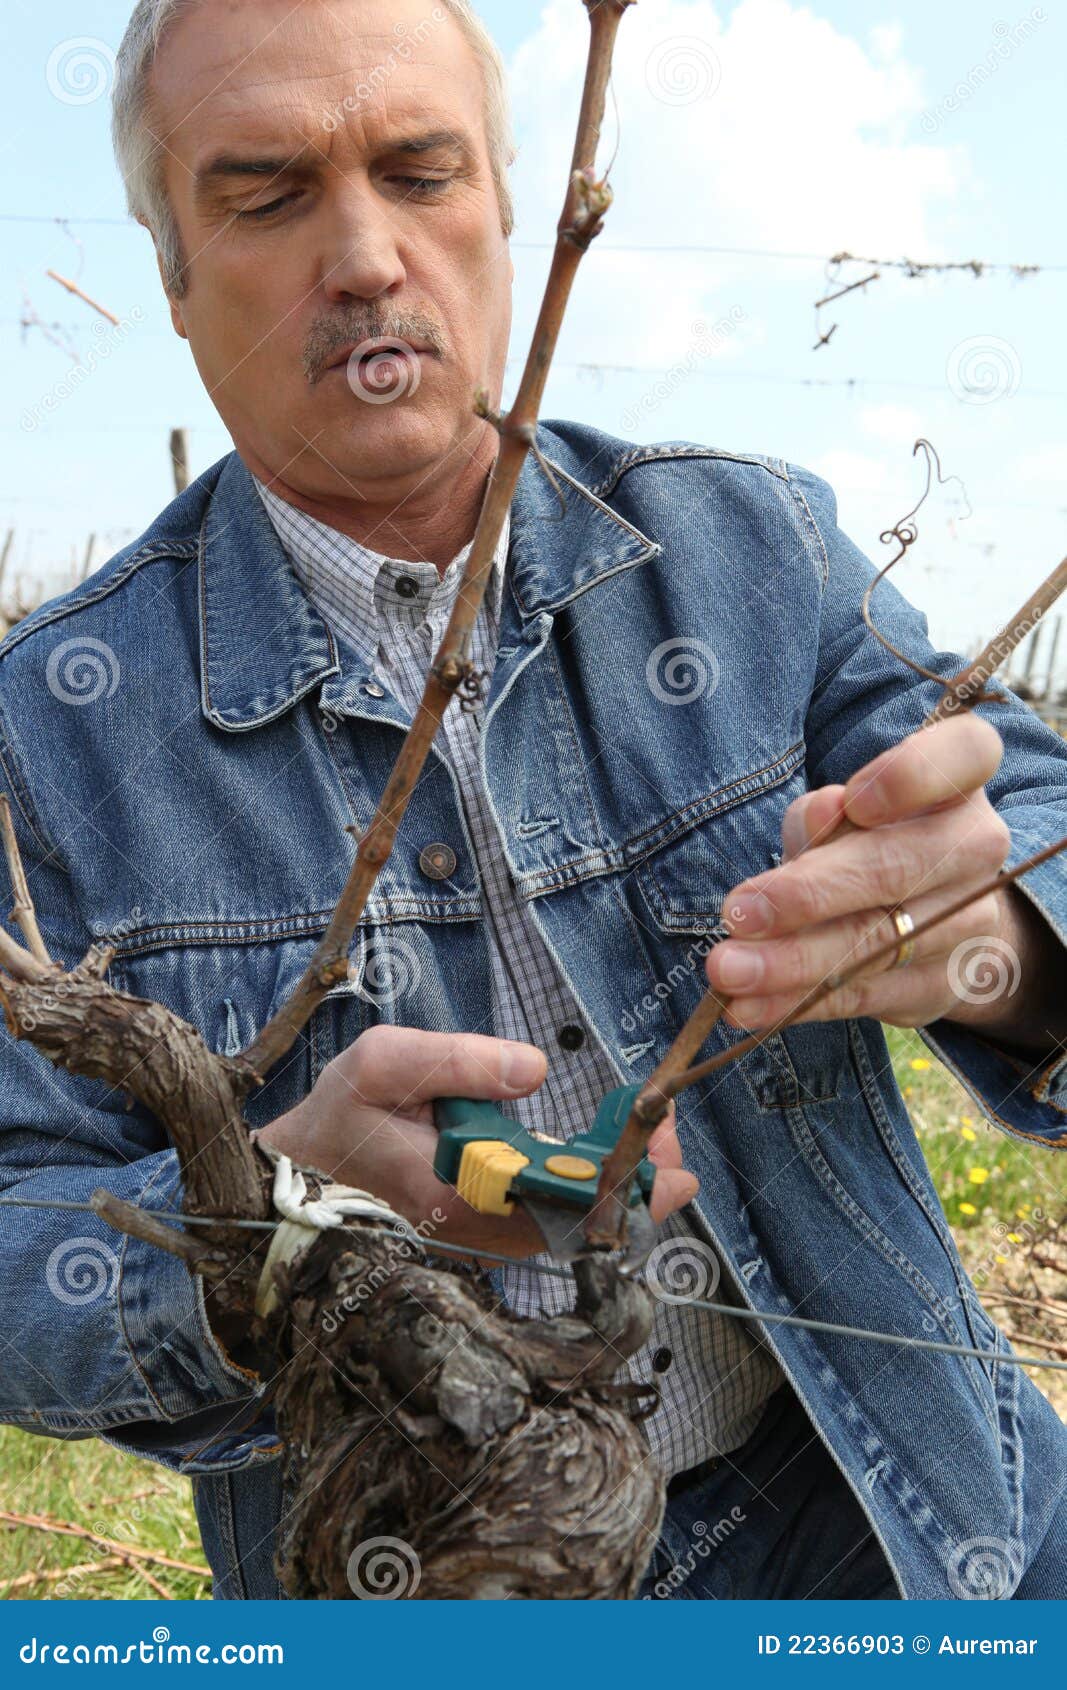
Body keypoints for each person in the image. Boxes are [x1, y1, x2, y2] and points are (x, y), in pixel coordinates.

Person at [1, 0, 1064, 1601]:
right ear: (169, 269)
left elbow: (1035, 817)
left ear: (510, 204)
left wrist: (1000, 933)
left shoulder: (752, 549)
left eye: (421, 171)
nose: (365, 256)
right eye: (270, 194)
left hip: (915, 1504)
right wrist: (275, 1220)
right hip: (441, 1580)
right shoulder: (48, 740)